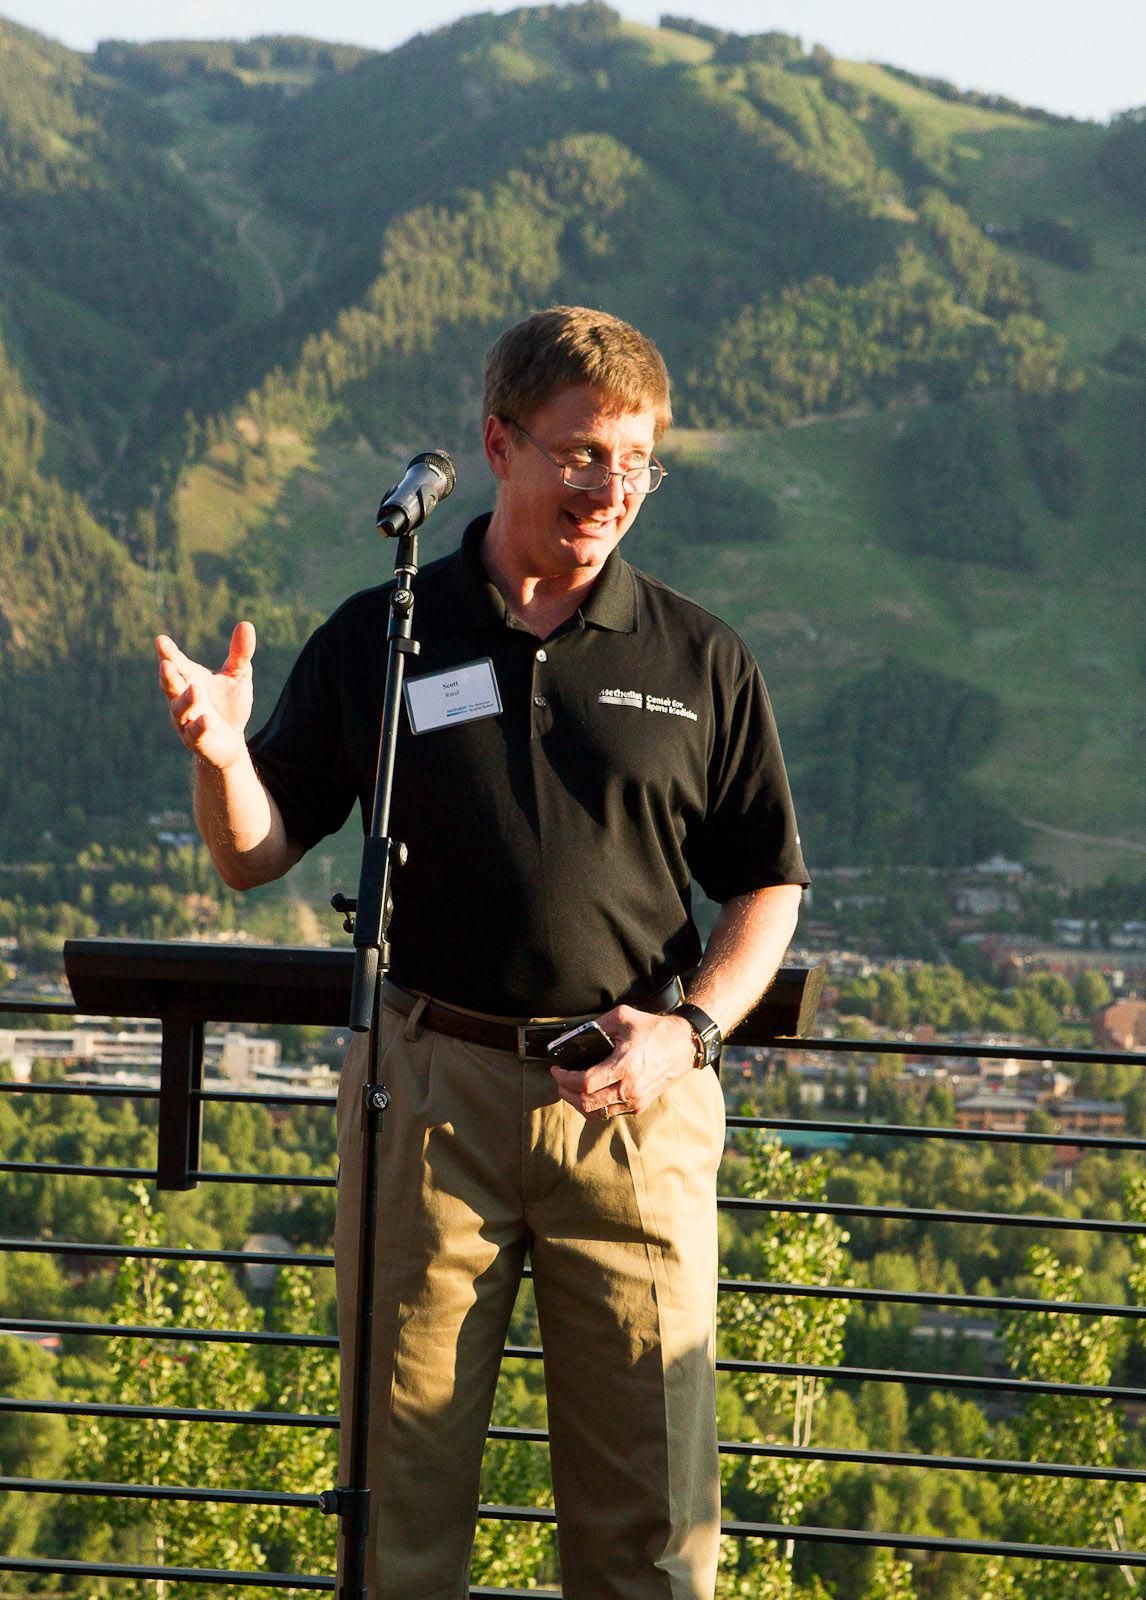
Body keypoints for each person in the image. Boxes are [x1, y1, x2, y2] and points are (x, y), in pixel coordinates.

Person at [156, 305, 808, 1600]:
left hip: (633, 1104)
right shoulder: (387, 632)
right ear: (500, 445)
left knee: (651, 1529)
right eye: (582, 453)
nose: (611, 487)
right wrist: (224, 758)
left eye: (637, 460)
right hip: (427, 1097)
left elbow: (768, 885)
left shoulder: (699, 655)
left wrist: (689, 1034)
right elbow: (255, 853)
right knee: (395, 1508)